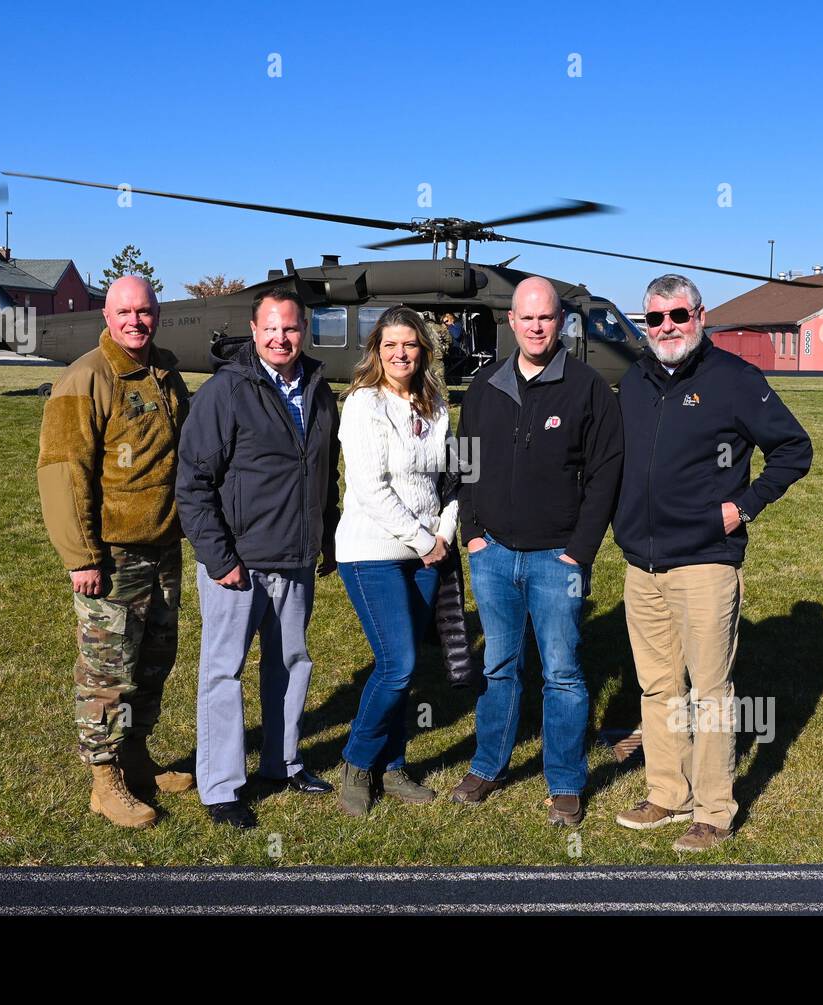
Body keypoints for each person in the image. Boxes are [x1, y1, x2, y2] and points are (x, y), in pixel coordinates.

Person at [612, 273, 812, 852]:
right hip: (641, 563)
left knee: (710, 690)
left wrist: (744, 506)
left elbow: (794, 449)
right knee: (656, 687)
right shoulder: (635, 379)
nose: (668, 328)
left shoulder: (735, 380)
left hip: (704, 560)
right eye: (656, 319)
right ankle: (667, 795)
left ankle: (714, 809)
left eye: (679, 315)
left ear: (701, 315)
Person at [450, 276, 623, 826]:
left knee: (563, 672)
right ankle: (487, 766)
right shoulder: (485, 387)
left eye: (546, 318)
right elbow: (466, 465)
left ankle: (566, 781)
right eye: (527, 318)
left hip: (558, 560)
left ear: (561, 321)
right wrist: (473, 535)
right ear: (511, 322)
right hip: (494, 554)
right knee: (499, 666)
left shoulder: (587, 387)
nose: (536, 327)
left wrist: (580, 550)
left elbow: (605, 474)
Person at [176, 286, 340, 829]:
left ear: (304, 332)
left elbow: (323, 474)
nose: (280, 338)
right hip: (237, 564)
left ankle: (283, 761)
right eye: (270, 328)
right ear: (253, 330)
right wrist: (219, 557)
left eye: (290, 328)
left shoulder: (319, 390)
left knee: (292, 663)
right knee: (224, 672)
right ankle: (221, 786)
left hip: (294, 556)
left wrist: (327, 537)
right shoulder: (226, 391)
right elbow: (193, 484)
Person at [36, 275, 193, 829]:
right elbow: (62, 473)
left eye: (145, 312)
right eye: (125, 312)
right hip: (112, 555)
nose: (135, 321)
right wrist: (81, 557)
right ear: (107, 315)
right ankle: (104, 781)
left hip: (163, 546)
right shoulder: (85, 379)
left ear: (157, 315)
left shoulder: (164, 375)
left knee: (154, 659)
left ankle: (135, 754)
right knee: (107, 668)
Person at [333, 306, 458, 816]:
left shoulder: (436, 409)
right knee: (397, 663)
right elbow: (370, 487)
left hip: (427, 553)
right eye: (389, 346)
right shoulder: (363, 405)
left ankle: (393, 765)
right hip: (373, 552)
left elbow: (449, 483)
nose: (399, 354)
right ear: (376, 352)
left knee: (406, 671)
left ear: (422, 351)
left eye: (408, 345)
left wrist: (443, 535)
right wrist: (421, 538)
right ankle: (357, 763)